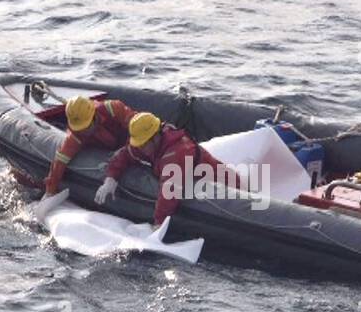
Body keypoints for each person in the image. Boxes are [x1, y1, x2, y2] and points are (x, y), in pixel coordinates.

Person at [94, 112, 239, 227]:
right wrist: (111, 179)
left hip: (227, 186)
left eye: (143, 144)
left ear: (155, 137)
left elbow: (169, 191)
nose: (141, 148)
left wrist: (158, 223)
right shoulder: (146, 146)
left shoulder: (177, 151)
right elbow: (125, 155)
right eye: (139, 144)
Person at [43, 95, 137, 196]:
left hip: (129, 144)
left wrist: (128, 148)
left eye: (86, 126)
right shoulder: (77, 135)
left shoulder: (112, 109)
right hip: (112, 151)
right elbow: (60, 160)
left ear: (94, 115)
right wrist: (50, 190)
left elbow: (138, 126)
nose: (84, 131)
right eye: (80, 128)